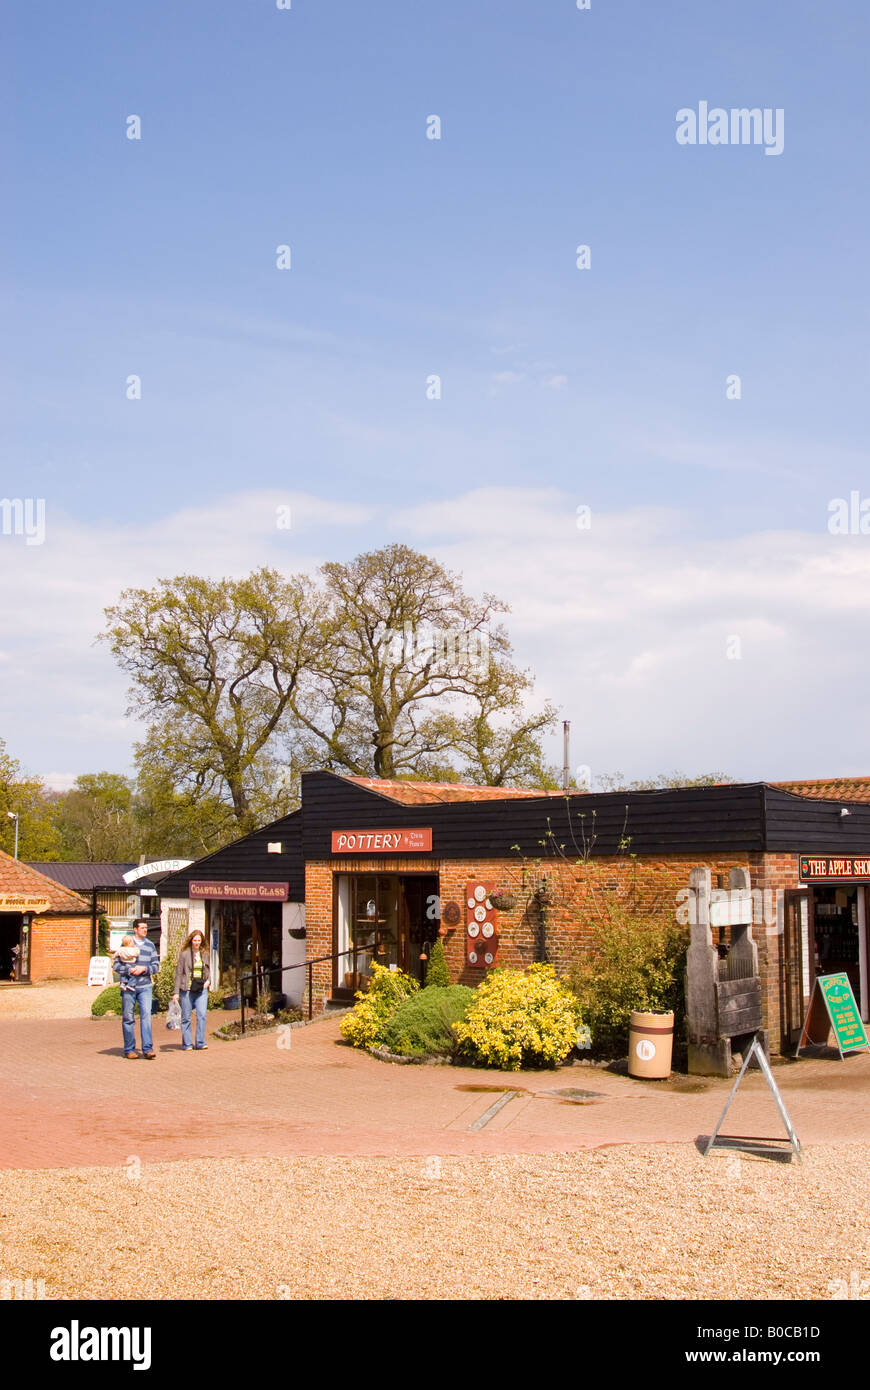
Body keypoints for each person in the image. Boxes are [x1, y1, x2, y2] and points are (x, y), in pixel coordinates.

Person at [114, 919, 159, 1060]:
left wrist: (144, 969)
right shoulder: (125, 945)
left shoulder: (150, 946)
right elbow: (116, 966)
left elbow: (156, 966)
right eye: (142, 928)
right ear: (135, 929)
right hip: (129, 987)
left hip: (145, 986)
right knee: (128, 1018)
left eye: (146, 928)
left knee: (146, 1016)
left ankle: (147, 1049)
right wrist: (130, 969)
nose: (145, 930)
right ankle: (129, 1049)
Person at [172, 929, 211, 1051]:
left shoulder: (204, 953)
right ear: (191, 940)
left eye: (199, 940)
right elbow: (179, 973)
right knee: (186, 1017)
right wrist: (176, 992)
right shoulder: (184, 954)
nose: (197, 943)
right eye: (195, 940)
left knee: (202, 1015)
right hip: (187, 989)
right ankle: (187, 1044)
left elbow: (208, 970)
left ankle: (200, 1042)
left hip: (201, 988)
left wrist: (209, 981)